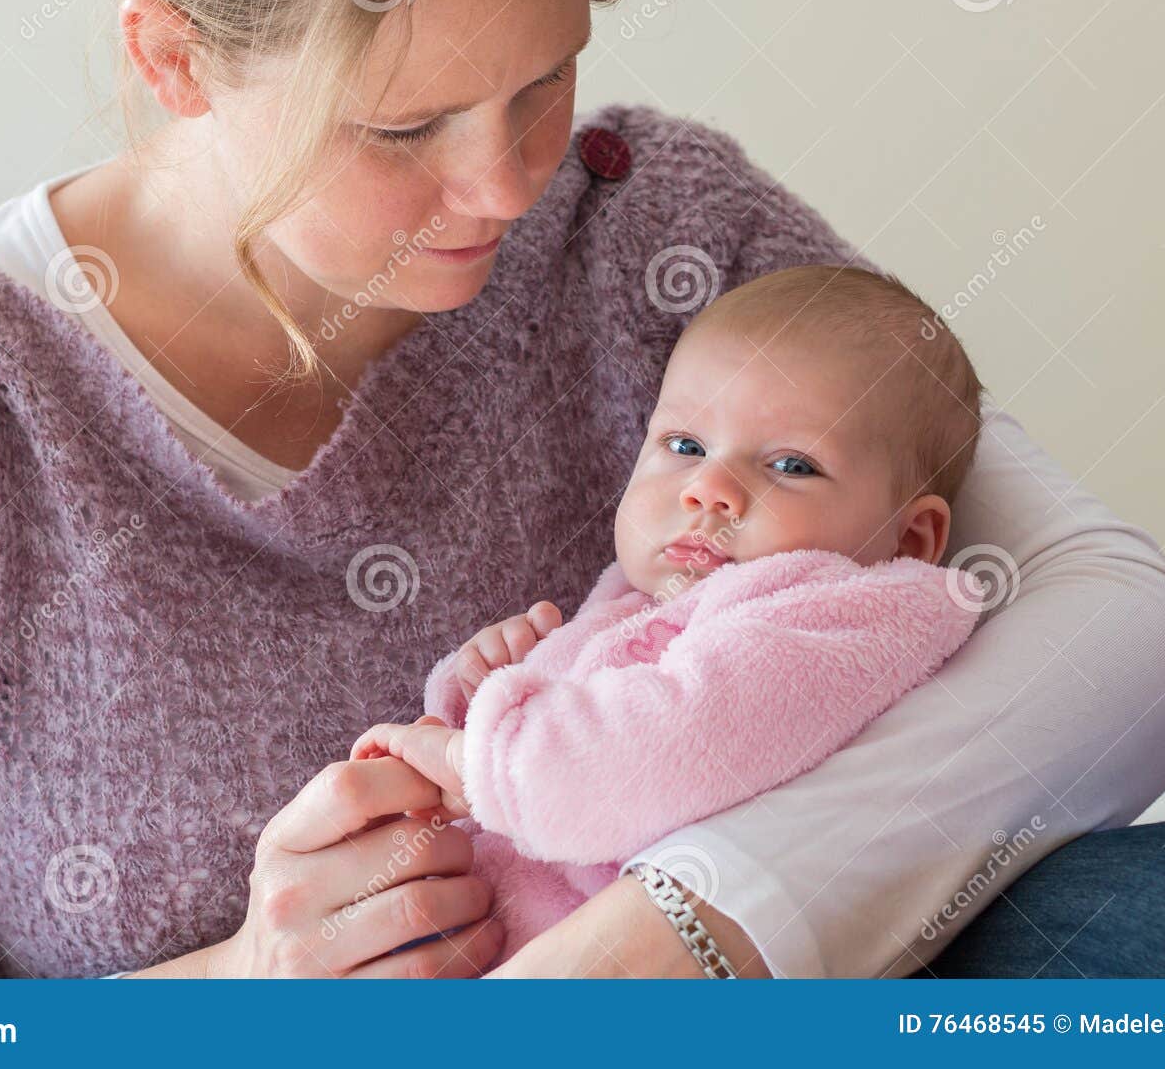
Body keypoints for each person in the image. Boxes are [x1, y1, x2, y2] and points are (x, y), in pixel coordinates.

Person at [0, 0, 1165, 979]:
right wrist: (245, 993)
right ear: (176, 57)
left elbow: (1133, 634)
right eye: (405, 124)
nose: (503, 186)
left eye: (542, 81)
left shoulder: (653, 225)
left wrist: (677, 934)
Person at [351, 264, 991, 967]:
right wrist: (477, 693)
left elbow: (645, 751)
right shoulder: (640, 596)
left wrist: (466, 761)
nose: (709, 488)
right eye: (685, 446)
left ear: (911, 538)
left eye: (792, 464)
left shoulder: (833, 618)